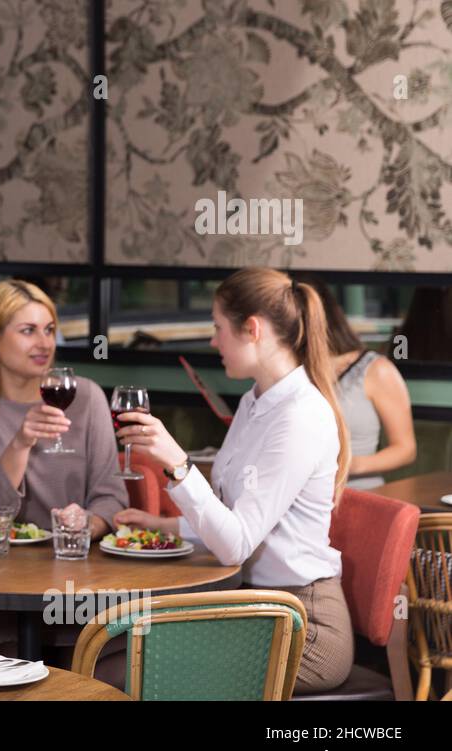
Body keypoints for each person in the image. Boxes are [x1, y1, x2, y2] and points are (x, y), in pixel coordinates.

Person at [114, 268, 354, 693]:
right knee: (117, 653)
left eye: (217, 327)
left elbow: (236, 544)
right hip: (254, 609)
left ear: (252, 329)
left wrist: (178, 465)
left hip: (303, 625)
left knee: (131, 671)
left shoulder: (300, 417)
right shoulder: (256, 400)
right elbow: (236, 519)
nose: (212, 340)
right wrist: (162, 526)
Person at [0, 279, 128, 655]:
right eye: (28, 331)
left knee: (116, 672)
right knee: (16, 676)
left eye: (49, 330)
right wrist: (20, 442)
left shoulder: (85, 396)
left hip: (80, 593)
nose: (44, 343)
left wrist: (86, 522)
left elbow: (112, 497)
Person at [301, 276, 415, 489]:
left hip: (358, 493)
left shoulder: (376, 369)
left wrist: (349, 465)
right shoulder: (287, 370)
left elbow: (406, 449)